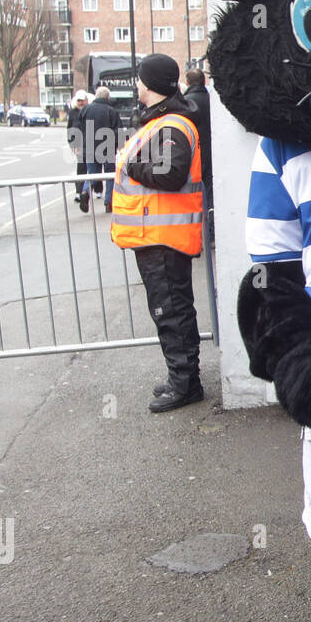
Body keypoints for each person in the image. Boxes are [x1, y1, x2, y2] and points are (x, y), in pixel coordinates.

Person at [110, 53, 205, 413]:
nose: (136, 85)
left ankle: (185, 385)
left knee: (172, 311)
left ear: (150, 84)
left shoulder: (172, 125)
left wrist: (133, 166)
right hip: (158, 235)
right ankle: (183, 378)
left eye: (139, 79)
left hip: (163, 237)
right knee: (171, 309)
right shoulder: (164, 121)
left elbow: (170, 174)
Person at [182, 67, 213, 233]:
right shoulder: (211, 100)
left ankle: (197, 229)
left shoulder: (186, 102)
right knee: (209, 189)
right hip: (211, 151)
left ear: (187, 82)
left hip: (195, 152)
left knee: (193, 190)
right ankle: (211, 228)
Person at [81, 87, 121, 213]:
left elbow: (81, 128)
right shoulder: (111, 111)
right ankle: (109, 202)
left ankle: (85, 191)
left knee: (93, 174)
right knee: (110, 176)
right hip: (107, 148)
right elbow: (117, 131)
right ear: (107, 97)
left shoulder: (86, 109)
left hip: (90, 147)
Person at [66, 89, 91, 209]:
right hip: (79, 145)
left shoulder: (89, 110)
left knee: (92, 168)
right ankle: (79, 192)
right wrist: (72, 145)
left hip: (91, 144)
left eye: (83, 100)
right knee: (81, 168)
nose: (81, 103)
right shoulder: (73, 113)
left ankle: (96, 189)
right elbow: (69, 129)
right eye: (79, 101)